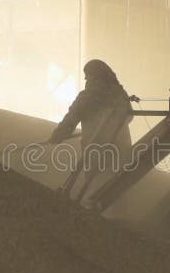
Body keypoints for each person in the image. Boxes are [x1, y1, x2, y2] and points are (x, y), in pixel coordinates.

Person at [48, 59, 133, 203]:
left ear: (96, 76)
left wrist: (57, 136)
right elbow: (129, 116)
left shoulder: (87, 96)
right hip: (122, 150)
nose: (86, 78)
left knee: (94, 188)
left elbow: (71, 119)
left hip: (96, 150)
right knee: (118, 190)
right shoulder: (121, 94)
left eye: (88, 75)